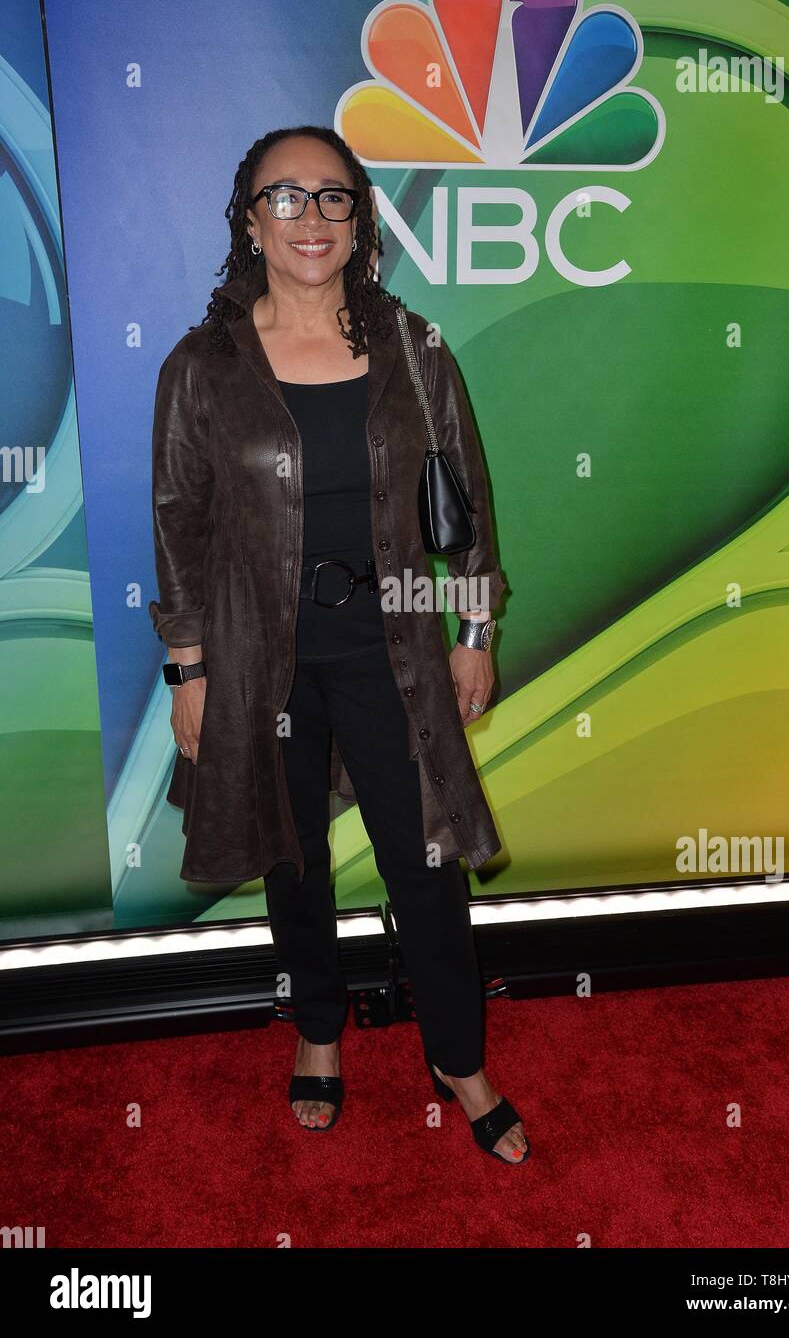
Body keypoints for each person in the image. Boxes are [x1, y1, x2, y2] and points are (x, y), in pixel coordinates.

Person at [150, 125, 528, 1164]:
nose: (310, 217)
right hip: (259, 653)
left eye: (333, 198)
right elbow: (178, 521)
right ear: (248, 220)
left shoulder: (412, 345)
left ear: (360, 222)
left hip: (394, 644)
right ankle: (319, 1030)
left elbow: (468, 501)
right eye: (285, 197)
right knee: (295, 862)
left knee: (429, 858)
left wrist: (475, 627)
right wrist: (188, 669)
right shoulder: (204, 364)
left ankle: (458, 1056)